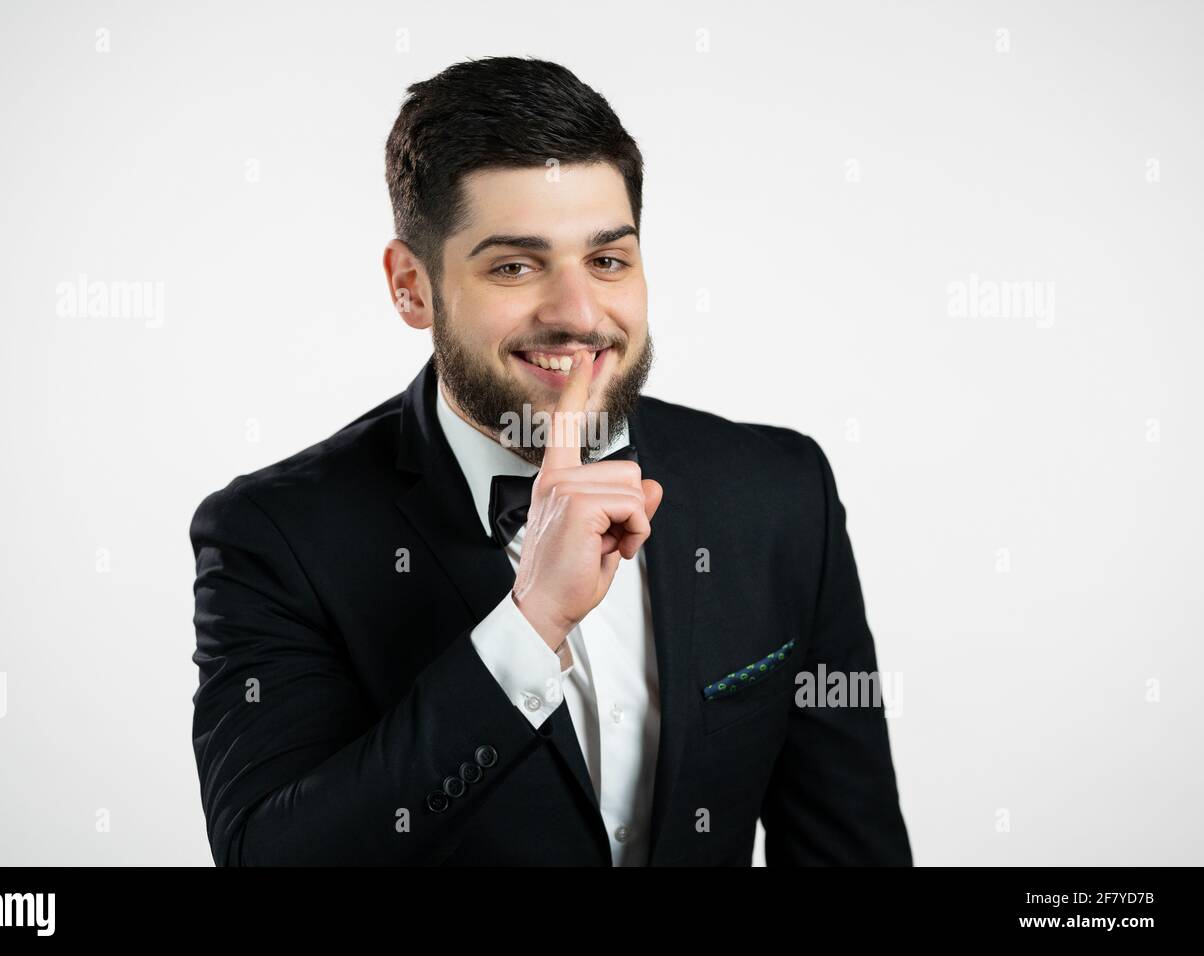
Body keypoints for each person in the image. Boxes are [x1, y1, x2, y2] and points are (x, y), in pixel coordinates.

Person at [189, 56, 912, 866]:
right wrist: (528, 625)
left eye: (608, 260)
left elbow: (852, 850)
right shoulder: (272, 535)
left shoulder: (782, 491)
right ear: (411, 287)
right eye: (515, 266)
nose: (577, 315)